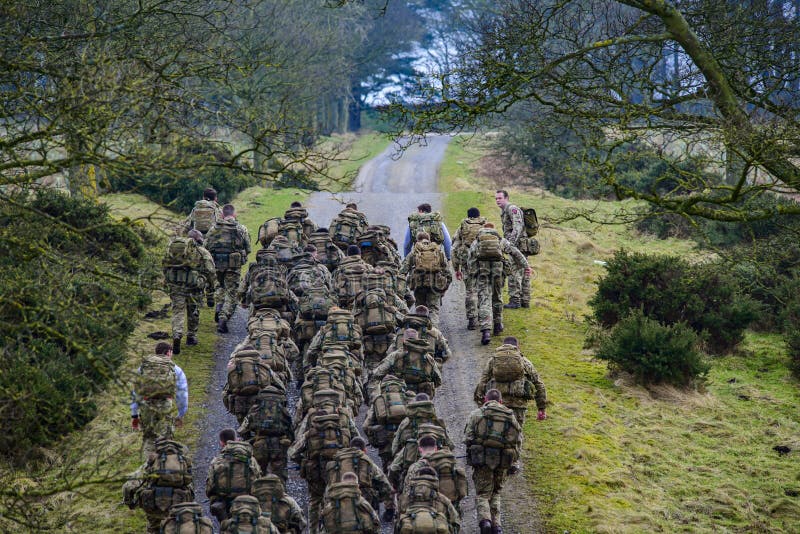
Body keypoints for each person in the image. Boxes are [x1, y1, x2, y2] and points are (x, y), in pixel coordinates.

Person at [464, 389, 522, 534]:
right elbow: (518, 440)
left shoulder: (477, 414)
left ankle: (485, 522)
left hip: (482, 460)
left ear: (485, 399)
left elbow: (468, 437)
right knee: (496, 492)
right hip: (503, 461)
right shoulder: (510, 416)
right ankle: (497, 526)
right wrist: (514, 462)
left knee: (483, 494)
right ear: (501, 401)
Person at [466, 223, 529, 345]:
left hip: (482, 274)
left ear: (483, 229)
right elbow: (514, 252)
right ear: (493, 229)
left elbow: (470, 258)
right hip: (498, 273)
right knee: (497, 298)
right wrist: (526, 265)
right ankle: (498, 325)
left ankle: (486, 331)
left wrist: (472, 274)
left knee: (484, 300)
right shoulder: (500, 240)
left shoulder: (477, 241)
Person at [122, 438, 195, 534]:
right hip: (177, 508)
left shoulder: (150, 465)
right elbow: (190, 485)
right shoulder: (183, 463)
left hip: (153, 509)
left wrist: (130, 503)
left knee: (153, 529)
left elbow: (128, 486)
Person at [162, 229, 217, 354]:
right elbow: (210, 271)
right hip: (194, 287)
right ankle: (191, 336)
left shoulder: (174, 251)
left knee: (178, 311)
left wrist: (168, 280)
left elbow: (164, 265)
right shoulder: (202, 252)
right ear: (198, 239)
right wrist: (210, 290)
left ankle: (177, 335)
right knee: (193, 311)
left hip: (176, 286)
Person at [130, 342, 188, 458]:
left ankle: (149, 466)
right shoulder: (175, 369)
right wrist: (180, 414)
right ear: (169, 352)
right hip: (165, 405)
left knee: (149, 437)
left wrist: (134, 416)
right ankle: (163, 467)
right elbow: (182, 394)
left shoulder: (143, 367)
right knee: (165, 439)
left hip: (146, 405)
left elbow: (135, 393)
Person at [473, 336, 547, 427]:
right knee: (515, 434)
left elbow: (482, 382)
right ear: (517, 346)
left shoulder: (493, 360)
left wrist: (481, 405)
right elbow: (539, 384)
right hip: (518, 406)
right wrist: (541, 408)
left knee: (497, 432)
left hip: (497, 404)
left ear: (503, 345)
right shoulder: (524, 361)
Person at [324, 437, 396, 520]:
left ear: (349, 447)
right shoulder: (367, 462)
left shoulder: (337, 462)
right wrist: (379, 498)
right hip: (363, 501)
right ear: (365, 450)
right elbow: (385, 485)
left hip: (339, 501)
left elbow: (329, 486)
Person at [205, 203, 251, 333]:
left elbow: (205, 247)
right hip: (233, 266)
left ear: (222, 214)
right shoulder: (241, 228)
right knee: (231, 293)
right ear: (234, 214)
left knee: (219, 287)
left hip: (216, 265)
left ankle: (219, 306)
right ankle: (223, 318)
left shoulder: (214, 228)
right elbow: (248, 249)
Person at [237, 385, 294, 481]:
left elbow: (243, 429)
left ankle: (260, 492)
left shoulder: (255, 409)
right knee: (279, 475)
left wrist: (249, 440)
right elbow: (290, 430)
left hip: (259, 443)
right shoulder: (283, 411)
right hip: (279, 445)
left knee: (258, 473)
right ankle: (280, 492)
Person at [206, 428, 262, 522]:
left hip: (225, 503)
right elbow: (258, 480)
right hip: (248, 502)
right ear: (236, 440)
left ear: (222, 443)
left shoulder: (216, 461)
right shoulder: (250, 459)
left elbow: (209, 488)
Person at [402, 435, 468, 512]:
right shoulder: (447, 463)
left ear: (419, 449)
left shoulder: (416, 466)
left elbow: (407, 490)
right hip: (450, 506)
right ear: (436, 448)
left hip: (428, 508)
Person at [400, 231, 452, 325]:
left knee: (420, 309)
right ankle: (433, 332)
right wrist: (444, 288)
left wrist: (405, 287)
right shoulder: (437, 251)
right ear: (429, 239)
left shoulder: (415, 251)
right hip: (435, 285)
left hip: (419, 285)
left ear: (417, 240)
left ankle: (421, 332)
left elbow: (402, 271)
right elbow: (448, 273)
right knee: (433, 310)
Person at [370, 332, 442, 398]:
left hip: (398, 395)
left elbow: (378, 373)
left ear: (403, 340)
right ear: (417, 339)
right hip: (420, 397)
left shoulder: (396, 355)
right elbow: (438, 381)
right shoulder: (428, 358)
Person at [452, 207, 487, 330]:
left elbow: (454, 247)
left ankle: (472, 319)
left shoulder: (463, 226)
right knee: (483, 291)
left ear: (468, 216)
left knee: (470, 291)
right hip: (484, 262)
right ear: (479, 215)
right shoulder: (485, 224)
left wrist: (456, 268)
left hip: (468, 261)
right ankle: (484, 318)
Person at [495, 190, 531, 309]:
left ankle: (515, 300)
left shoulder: (512, 209)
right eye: (496, 199)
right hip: (519, 245)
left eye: (500, 198)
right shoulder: (505, 211)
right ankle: (525, 301)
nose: (498, 200)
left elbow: (518, 227)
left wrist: (510, 244)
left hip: (517, 245)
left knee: (513, 271)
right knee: (524, 271)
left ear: (506, 198)